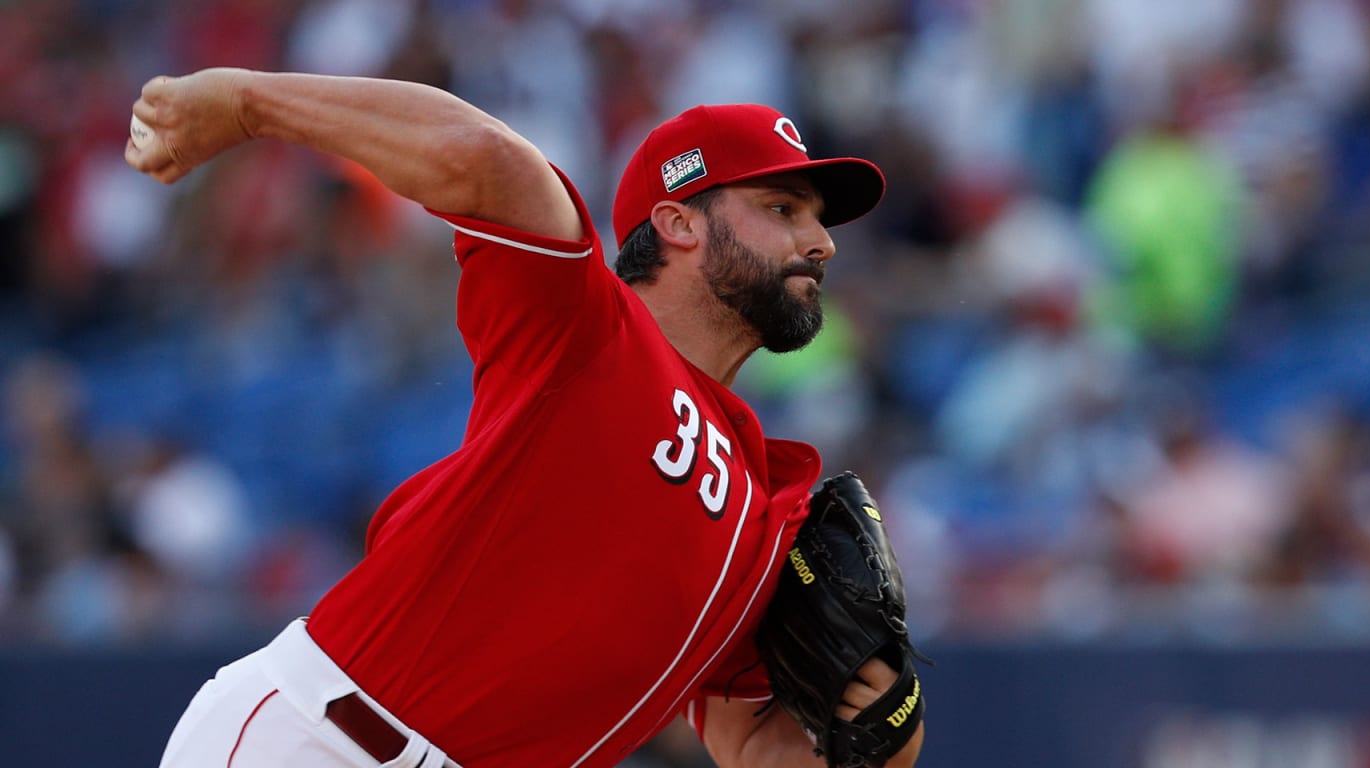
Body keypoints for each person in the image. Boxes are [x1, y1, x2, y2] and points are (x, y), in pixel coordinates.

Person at [126, 68, 924, 767]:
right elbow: (487, 160)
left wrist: (887, 728)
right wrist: (245, 103)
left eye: (817, 218)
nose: (820, 241)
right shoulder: (587, 327)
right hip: (327, 742)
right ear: (679, 221)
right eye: (782, 207)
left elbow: (751, 749)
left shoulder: (766, 513)